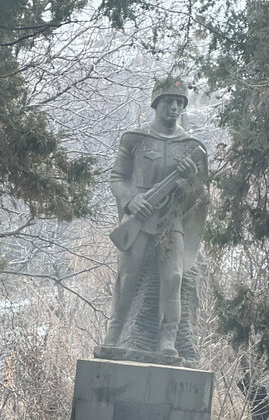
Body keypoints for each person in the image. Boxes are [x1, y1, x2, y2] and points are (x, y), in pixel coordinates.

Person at [104, 76, 208, 360]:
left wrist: (190, 179)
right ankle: (113, 335)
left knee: (173, 277)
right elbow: (117, 177)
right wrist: (130, 200)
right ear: (156, 103)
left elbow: (200, 196)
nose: (174, 108)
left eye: (179, 103)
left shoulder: (191, 146)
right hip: (139, 218)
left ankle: (168, 339)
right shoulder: (135, 139)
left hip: (170, 221)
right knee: (127, 277)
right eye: (168, 102)